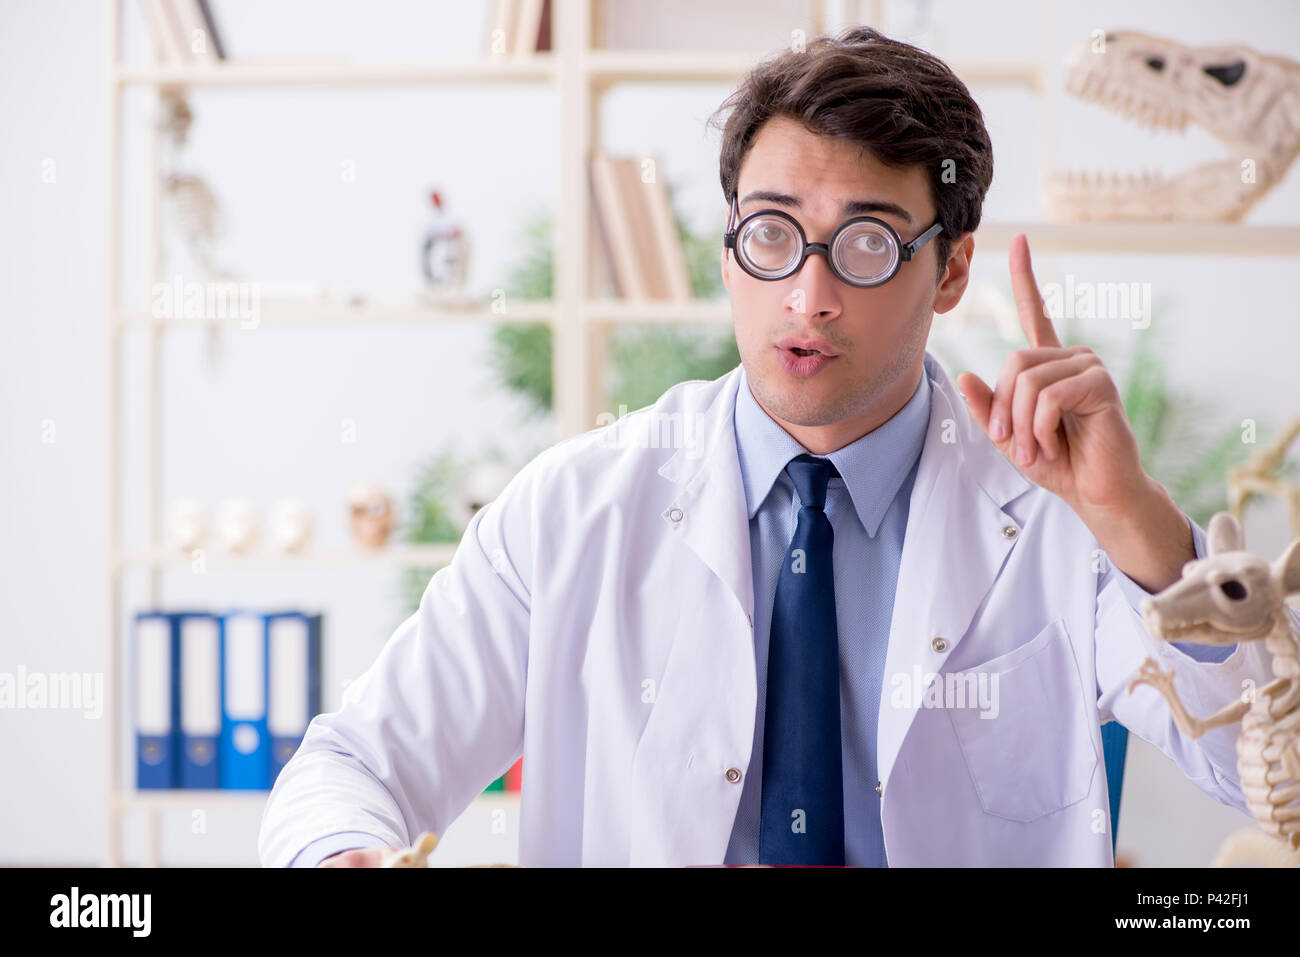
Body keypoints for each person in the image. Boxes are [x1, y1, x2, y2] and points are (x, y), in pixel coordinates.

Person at [259, 26, 1281, 868]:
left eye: (870, 243)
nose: (808, 294)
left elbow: (1260, 774)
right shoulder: (574, 510)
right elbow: (355, 765)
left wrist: (1130, 520)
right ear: (729, 251)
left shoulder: (1057, 514)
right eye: (772, 234)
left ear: (953, 268)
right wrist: (344, 855)